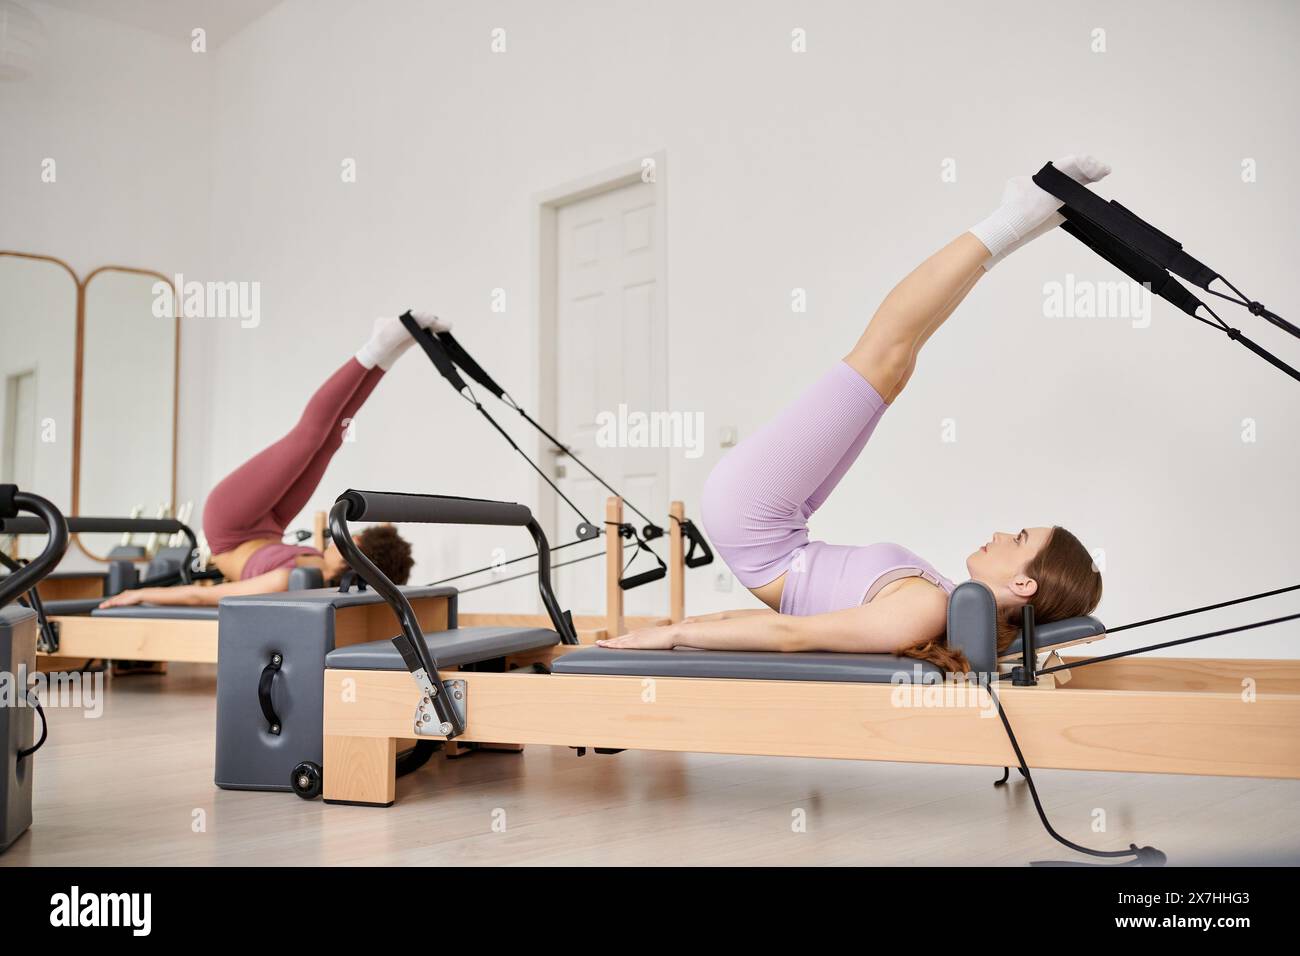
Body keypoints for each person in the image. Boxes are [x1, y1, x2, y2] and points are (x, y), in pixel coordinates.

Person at [599, 156, 1109, 670]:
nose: (1003, 533)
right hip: (781, 526)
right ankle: (1019, 224)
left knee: (882, 356)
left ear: (1024, 583)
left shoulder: (926, 610)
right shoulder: (949, 603)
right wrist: (685, 629)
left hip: (755, 516)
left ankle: (1014, 218)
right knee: (897, 365)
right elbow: (788, 621)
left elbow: (790, 636)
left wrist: (671, 637)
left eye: (1019, 539)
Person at [99, 311, 447, 607]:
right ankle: (387, 354)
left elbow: (208, 596)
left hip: (230, 526)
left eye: (352, 539)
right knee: (327, 444)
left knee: (307, 438)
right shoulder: (320, 575)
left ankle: (377, 347)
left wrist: (139, 594)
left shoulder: (290, 580)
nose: (345, 538)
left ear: (353, 551)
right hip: (270, 524)